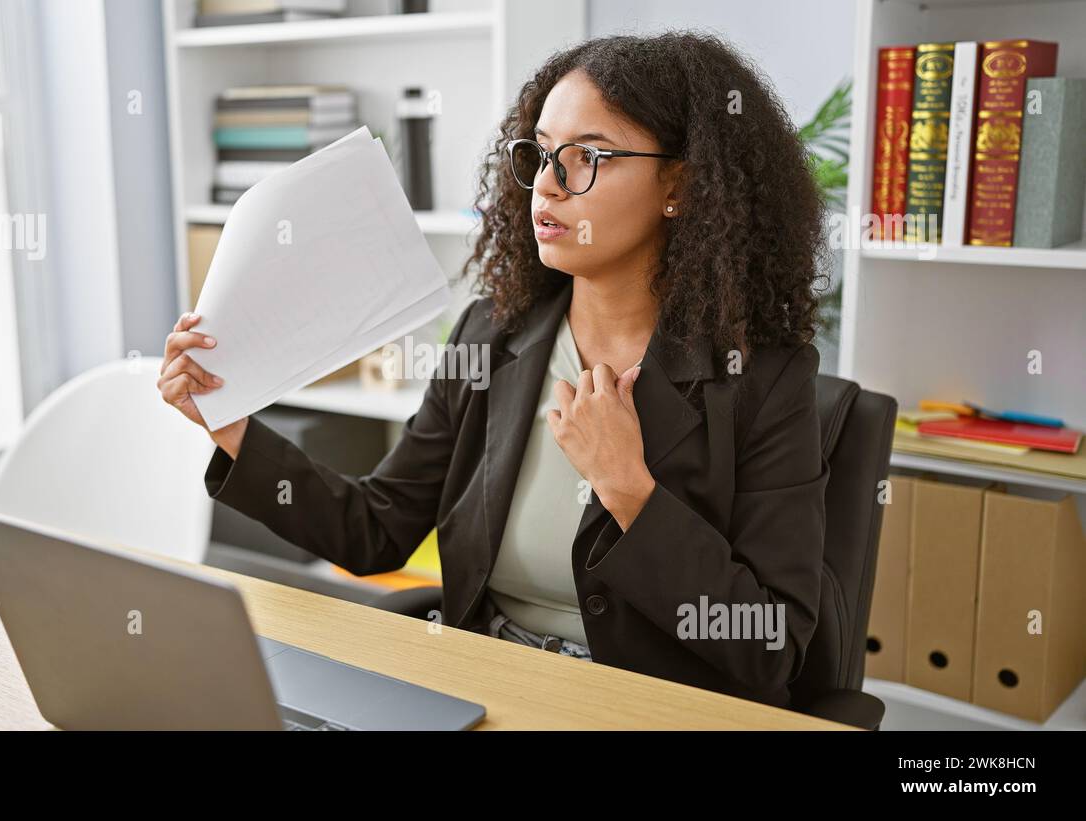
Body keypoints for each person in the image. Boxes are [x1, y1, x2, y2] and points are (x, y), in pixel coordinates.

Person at [158, 32, 830, 709]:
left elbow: (769, 648)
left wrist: (630, 491)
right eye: (539, 154)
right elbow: (375, 528)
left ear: (678, 186)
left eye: (586, 158)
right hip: (481, 689)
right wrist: (234, 427)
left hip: (645, 710)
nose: (546, 185)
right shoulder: (494, 335)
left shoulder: (762, 379)